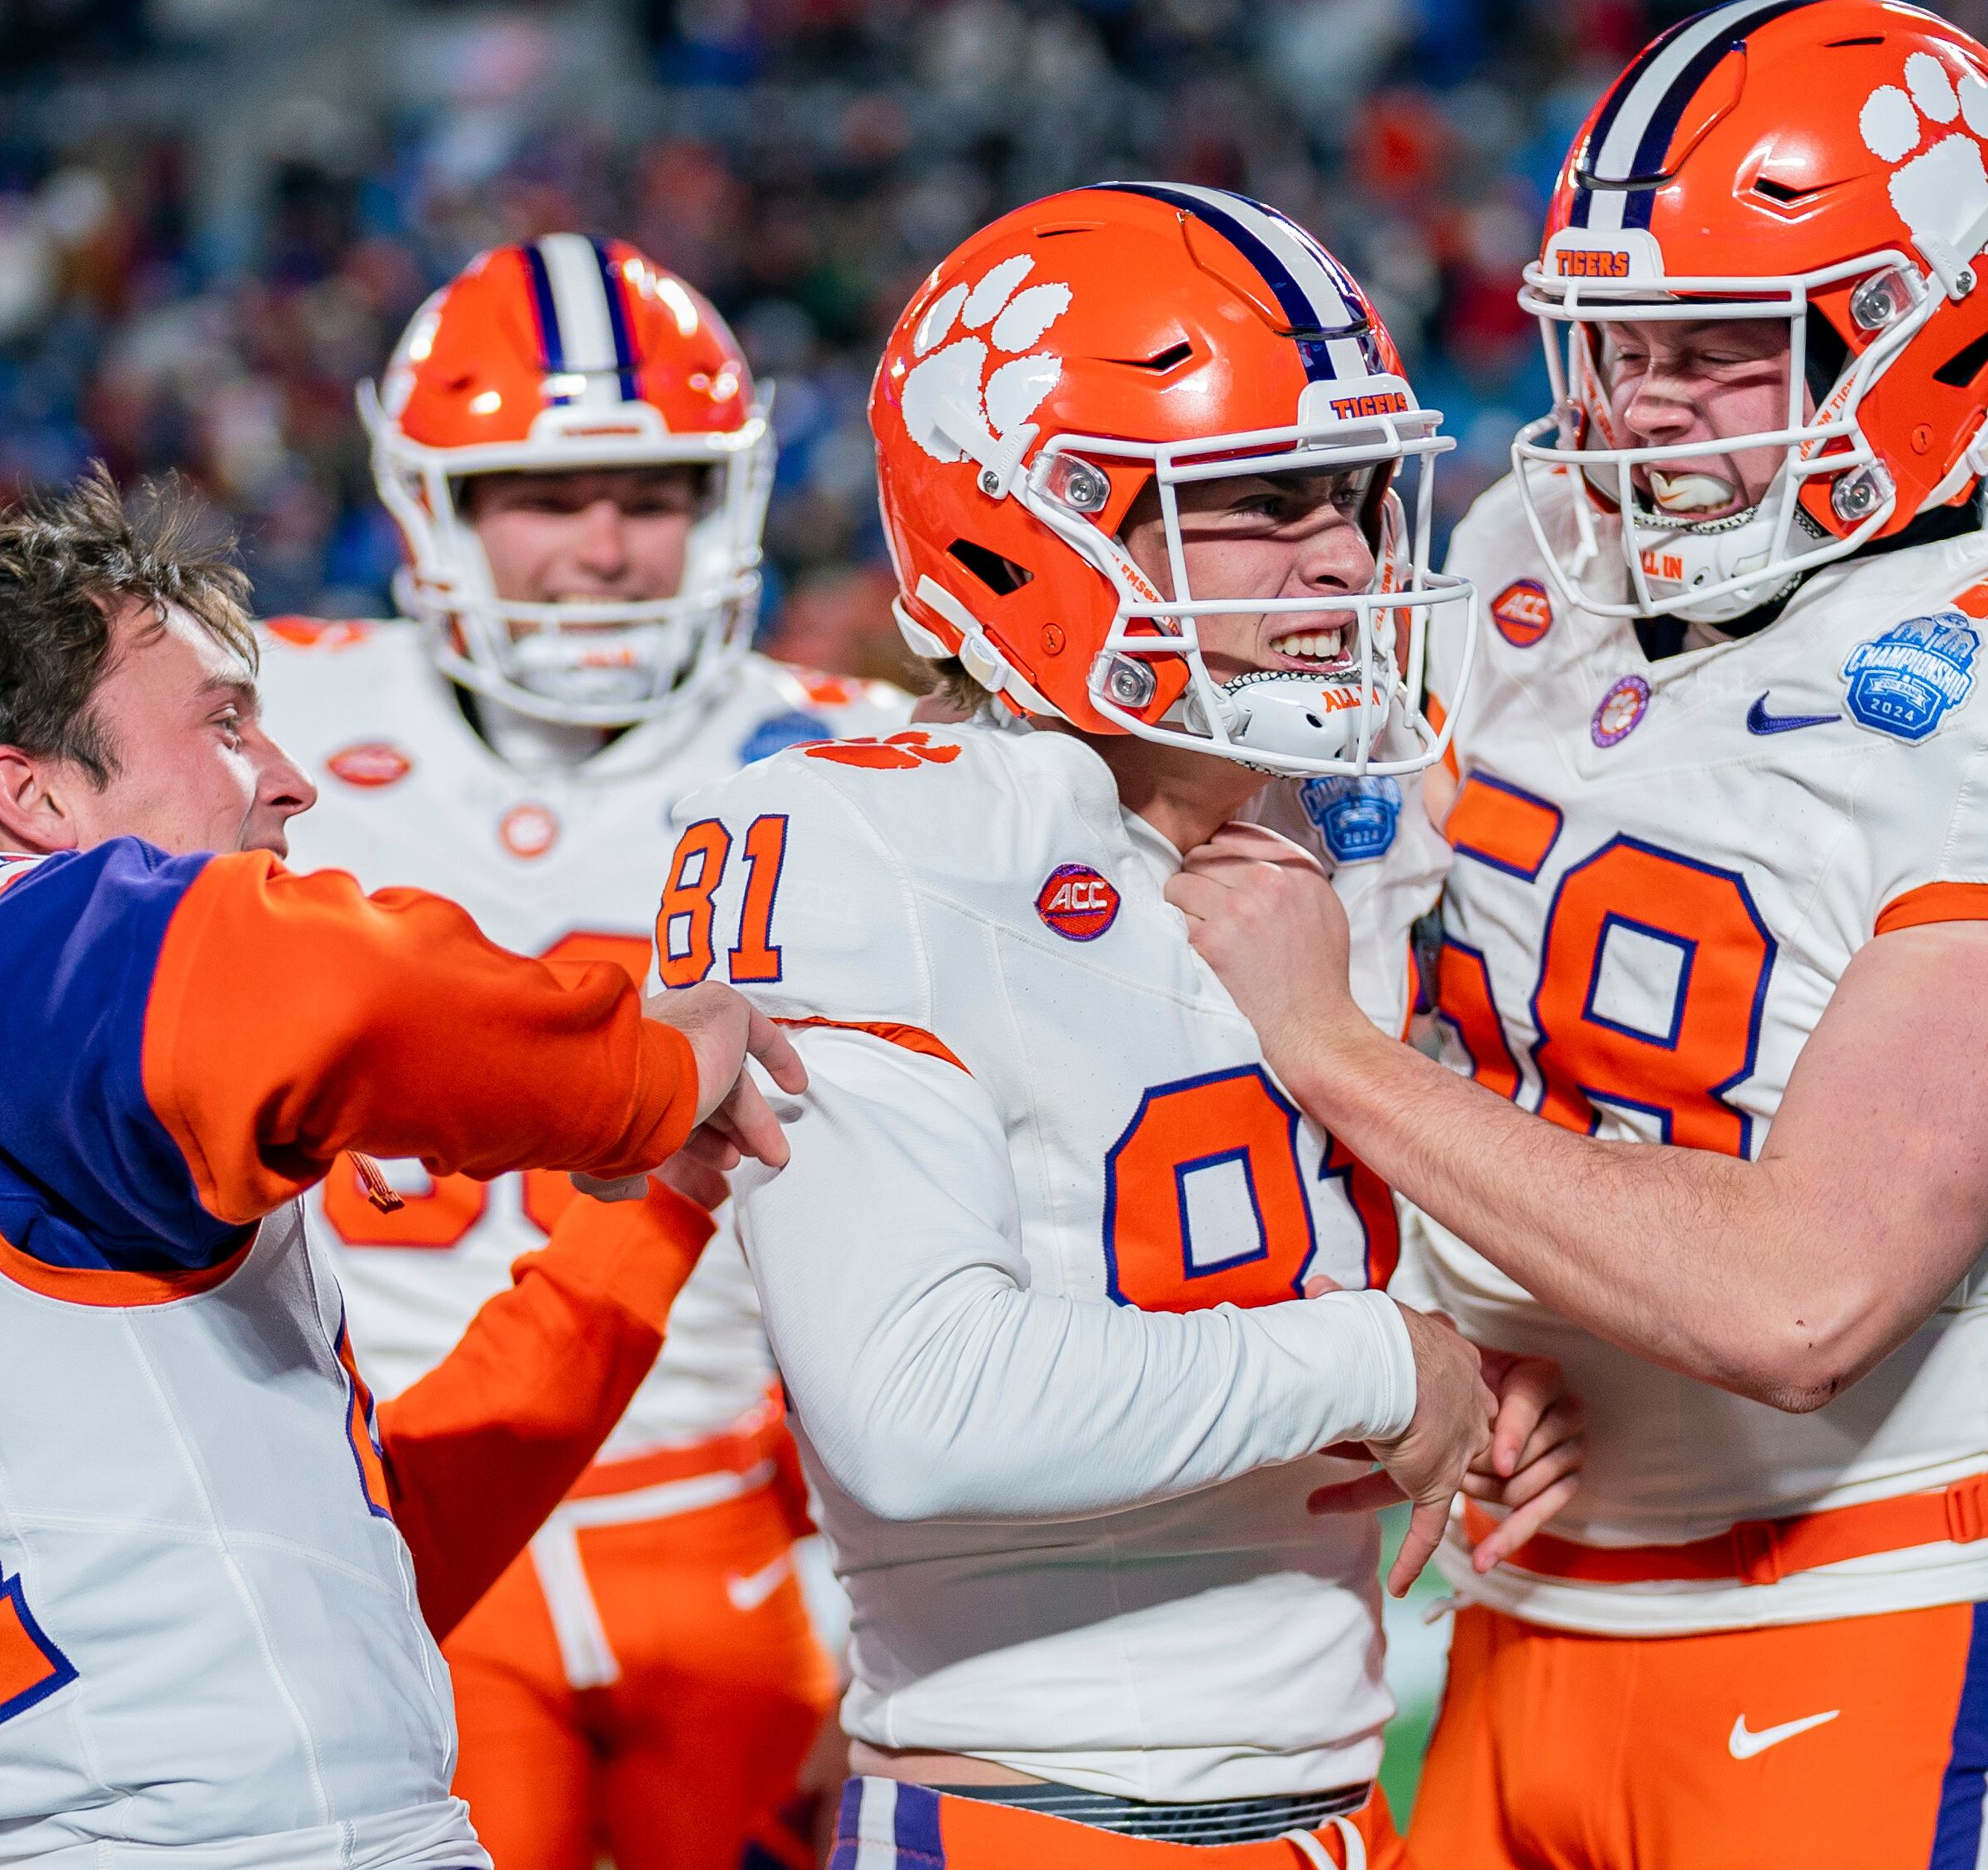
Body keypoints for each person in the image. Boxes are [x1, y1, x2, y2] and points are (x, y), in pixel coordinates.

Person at [1163, 0, 1988, 1870]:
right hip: (1514, 1615)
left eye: (1716, 344)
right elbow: (1430, 996)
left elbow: (1793, 1300)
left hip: (1853, 1622)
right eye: (1609, 337)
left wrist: (1327, 1053)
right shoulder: (1519, 552)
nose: (1629, 403)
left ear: (1925, 332)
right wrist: (1439, 1311)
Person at [0, 471, 801, 1870]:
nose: (290, 774)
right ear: (28, 798)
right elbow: (339, 990)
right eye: (224, 721)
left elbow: (361, 1569)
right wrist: (646, 1065)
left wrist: (652, 1220)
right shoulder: (5, 954)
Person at [669, 184, 1583, 1870]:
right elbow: (918, 1403)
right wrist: (1382, 1360)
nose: (1340, 557)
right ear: (1031, 529)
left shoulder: (1337, 828)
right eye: (1251, 499)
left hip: (1327, 1790)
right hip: (1040, 1807)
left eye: (1353, 493)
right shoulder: (881, 836)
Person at [258, 233, 908, 1870]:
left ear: (728, 498)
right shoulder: (258, 725)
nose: (604, 549)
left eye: (653, 493)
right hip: (399, 1508)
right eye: (542, 498)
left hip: (731, 1528)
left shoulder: (846, 754)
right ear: (435, 508)